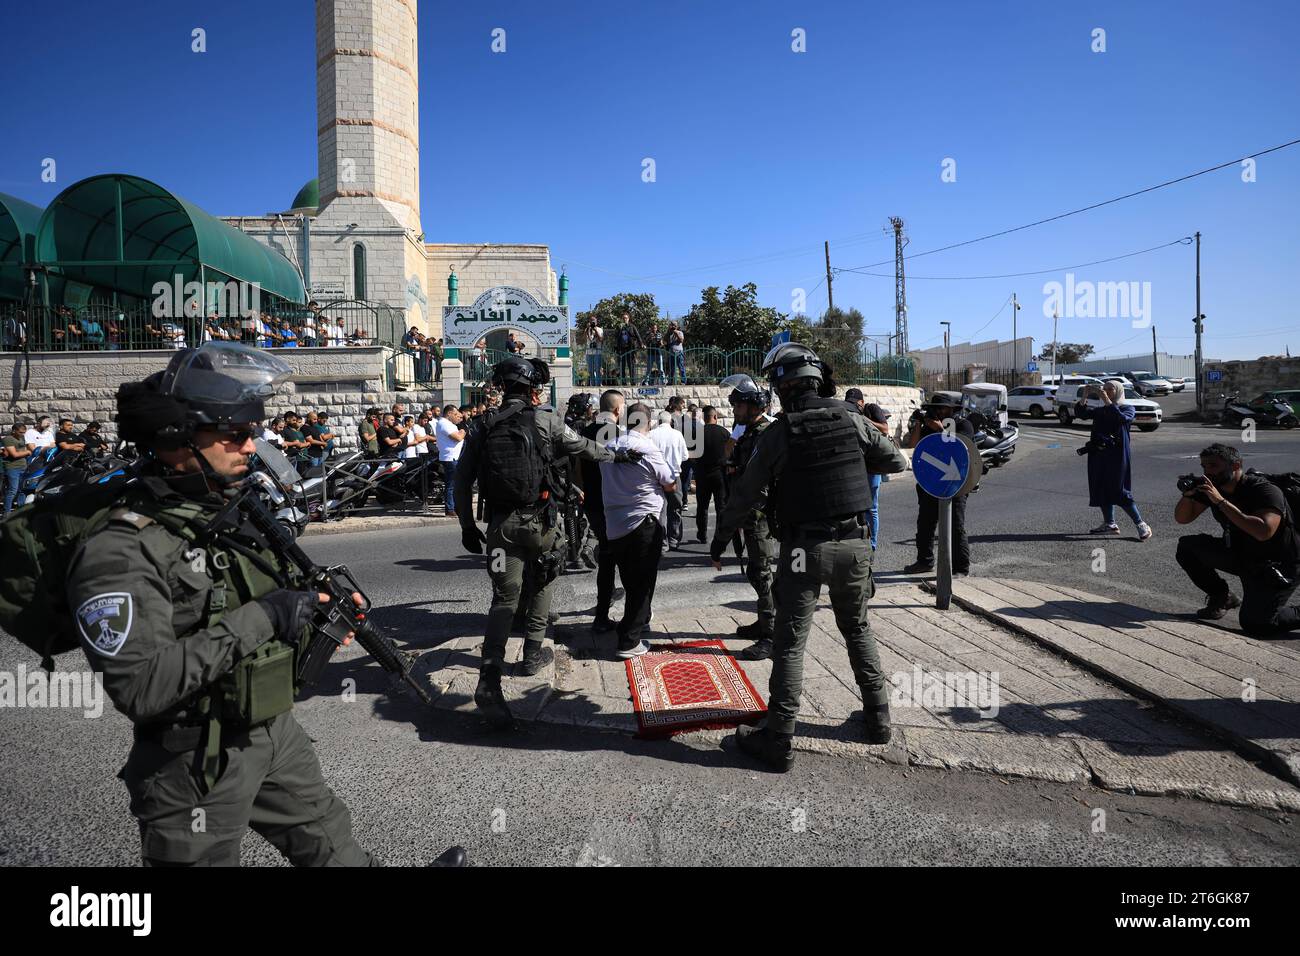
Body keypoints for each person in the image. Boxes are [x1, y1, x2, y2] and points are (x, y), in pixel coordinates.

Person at [63, 342, 466, 866]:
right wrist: (267, 616)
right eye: (234, 433)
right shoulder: (119, 547)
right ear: (177, 437)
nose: (251, 446)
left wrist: (311, 609)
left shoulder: (220, 510)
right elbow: (140, 687)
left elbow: (255, 592)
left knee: (332, 845)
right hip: (194, 760)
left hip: (271, 728)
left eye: (251, 432)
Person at [710, 342, 908, 771]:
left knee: (791, 640)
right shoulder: (851, 418)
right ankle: (878, 720)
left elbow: (745, 494)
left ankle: (779, 736)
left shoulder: (780, 433)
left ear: (781, 387)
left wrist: (720, 539)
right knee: (857, 628)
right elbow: (894, 460)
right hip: (855, 545)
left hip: (803, 550)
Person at [455, 356, 637, 726]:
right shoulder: (547, 419)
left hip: (499, 527)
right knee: (543, 583)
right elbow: (586, 447)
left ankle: (489, 674)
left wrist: (466, 527)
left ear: (501, 387)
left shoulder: (481, 425)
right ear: (532, 389)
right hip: (541, 523)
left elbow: (461, 482)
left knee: (504, 598)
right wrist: (618, 454)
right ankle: (531, 656)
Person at [1175, 443, 1300, 634]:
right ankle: (1222, 597)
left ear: (1236, 465)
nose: (1208, 472)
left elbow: (1263, 531)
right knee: (1187, 547)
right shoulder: (1215, 488)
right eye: (1205, 467)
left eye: (1214, 466)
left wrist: (1220, 501)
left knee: (1258, 623)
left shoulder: (1264, 490)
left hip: (1278, 563)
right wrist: (1188, 496)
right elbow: (1183, 518)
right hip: (1243, 555)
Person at [599, 403, 674, 657]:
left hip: (616, 524)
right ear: (649, 422)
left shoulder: (608, 447)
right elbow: (670, 483)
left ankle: (632, 625)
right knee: (642, 583)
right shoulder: (648, 448)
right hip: (644, 523)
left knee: (630, 580)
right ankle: (629, 640)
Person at [721, 373, 779, 659]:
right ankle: (763, 621)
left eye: (739, 406)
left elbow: (763, 481)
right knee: (756, 572)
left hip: (760, 513)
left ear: (756, 405)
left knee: (762, 572)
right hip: (749, 510)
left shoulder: (766, 433)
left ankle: (771, 635)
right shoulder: (747, 431)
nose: (735, 410)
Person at [903, 391, 975, 576]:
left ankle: (961, 568)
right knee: (925, 524)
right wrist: (919, 424)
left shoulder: (962, 424)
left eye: (942, 409)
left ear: (951, 410)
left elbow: (960, 448)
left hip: (955, 483)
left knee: (956, 526)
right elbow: (912, 444)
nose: (939, 413)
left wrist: (939, 429)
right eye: (935, 410)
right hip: (931, 482)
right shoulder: (929, 425)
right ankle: (924, 561)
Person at [1075, 381, 1153, 540]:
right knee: (1101, 486)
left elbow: (1121, 419)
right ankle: (1110, 524)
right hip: (1099, 453)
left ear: (1118, 391)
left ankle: (1140, 524)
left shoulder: (1127, 408)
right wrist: (1085, 395)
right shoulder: (1101, 410)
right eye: (1105, 389)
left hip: (1117, 455)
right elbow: (1081, 414)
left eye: (1110, 389)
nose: (1106, 391)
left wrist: (1108, 402)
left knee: (1119, 488)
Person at [581, 390, 626, 633]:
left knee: (608, 557)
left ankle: (604, 609)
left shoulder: (584, 432)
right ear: (617, 410)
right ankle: (603, 616)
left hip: (593, 503)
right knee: (618, 559)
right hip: (615, 505)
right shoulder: (619, 435)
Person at [650, 410, 688, 550]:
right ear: (670, 422)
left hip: (656, 477)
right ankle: (674, 539)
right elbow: (684, 456)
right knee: (675, 507)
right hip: (673, 476)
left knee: (660, 510)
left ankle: (662, 542)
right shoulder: (677, 435)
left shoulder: (651, 435)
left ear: (659, 422)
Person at [693, 405, 731, 544]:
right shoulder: (724, 433)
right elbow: (731, 453)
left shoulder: (697, 433)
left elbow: (691, 455)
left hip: (702, 474)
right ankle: (719, 536)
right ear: (715, 417)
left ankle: (702, 534)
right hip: (720, 475)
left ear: (704, 417)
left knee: (702, 506)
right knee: (721, 507)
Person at [435, 404, 466, 516]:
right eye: (455, 414)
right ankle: (450, 509)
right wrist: (462, 431)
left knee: (454, 484)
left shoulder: (448, 424)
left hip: (453, 457)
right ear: (449, 413)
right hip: (450, 458)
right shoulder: (444, 423)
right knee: (451, 485)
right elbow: (458, 437)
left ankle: (453, 507)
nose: (456, 416)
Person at [3, 423, 32, 513]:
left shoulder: (22, 438)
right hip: (13, 468)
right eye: (20, 432)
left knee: (22, 490)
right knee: (12, 491)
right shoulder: (8, 439)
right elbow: (14, 454)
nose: (22, 434)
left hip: (23, 467)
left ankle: (20, 512)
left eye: (24, 432)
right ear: (14, 430)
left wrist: (26, 452)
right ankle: (6, 513)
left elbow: (23, 450)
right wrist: (27, 452)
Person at [614, 313, 643, 386]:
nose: (624, 319)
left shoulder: (632, 326)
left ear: (628, 319)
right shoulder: (620, 327)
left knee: (631, 366)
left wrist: (641, 344)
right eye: (623, 318)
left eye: (626, 318)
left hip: (630, 348)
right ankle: (624, 382)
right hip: (622, 349)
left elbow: (637, 336)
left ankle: (633, 381)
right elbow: (616, 337)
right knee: (622, 366)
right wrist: (620, 329)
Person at [584, 319, 604, 386]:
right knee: (590, 370)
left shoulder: (599, 329)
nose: (592, 322)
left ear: (596, 322)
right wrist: (587, 329)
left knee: (598, 369)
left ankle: (598, 384)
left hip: (597, 352)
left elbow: (601, 339)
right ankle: (592, 385)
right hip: (589, 352)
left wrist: (595, 330)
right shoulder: (587, 330)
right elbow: (582, 339)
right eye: (591, 321)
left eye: (594, 321)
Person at [664, 320, 686, 385]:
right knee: (671, 368)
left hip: (679, 352)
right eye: (672, 325)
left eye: (675, 325)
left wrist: (676, 334)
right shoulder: (669, 333)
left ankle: (683, 381)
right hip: (671, 353)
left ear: (677, 326)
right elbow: (664, 340)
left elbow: (681, 340)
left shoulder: (680, 332)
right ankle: (670, 381)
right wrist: (668, 331)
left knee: (681, 367)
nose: (673, 326)